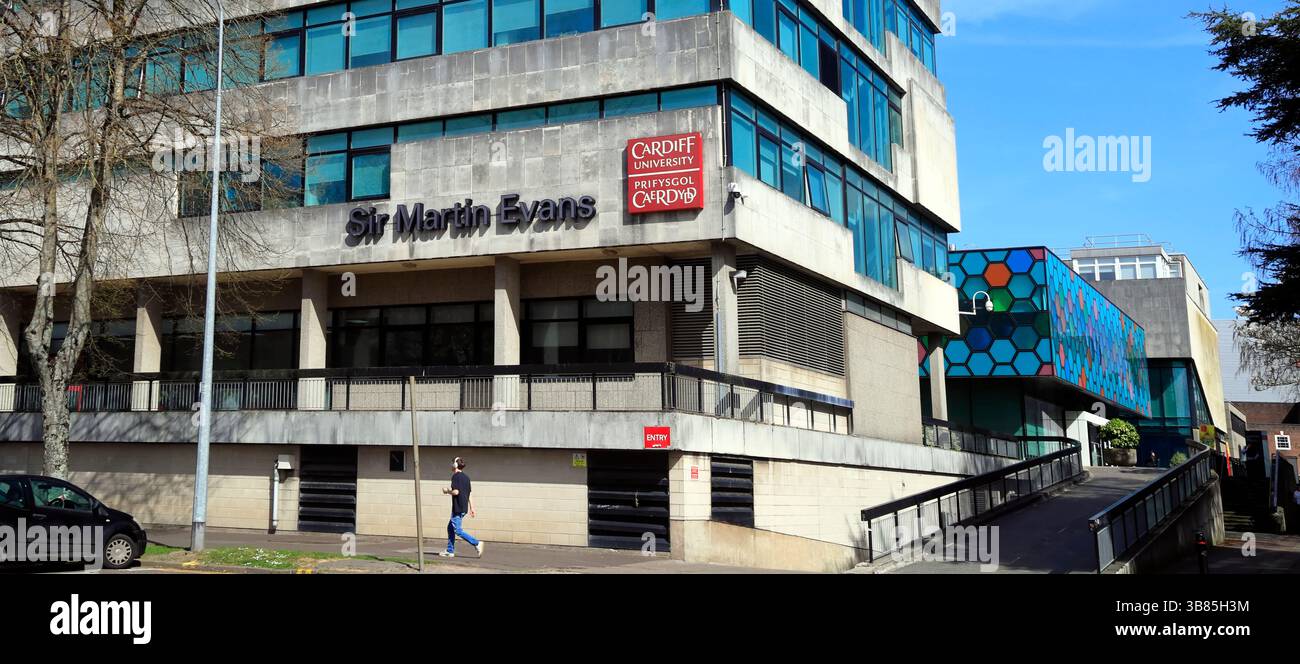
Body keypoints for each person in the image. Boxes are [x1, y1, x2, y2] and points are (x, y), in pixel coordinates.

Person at [440, 456, 483, 558]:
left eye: (452, 463)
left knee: (457, 530)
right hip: (463, 508)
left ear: (455, 465)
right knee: (450, 528)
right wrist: (472, 508)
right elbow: (469, 493)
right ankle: (450, 550)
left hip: (458, 508)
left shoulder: (455, 476)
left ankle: (477, 543)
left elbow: (456, 492)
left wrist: (447, 491)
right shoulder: (467, 478)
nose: (451, 465)